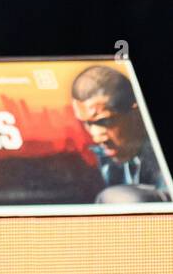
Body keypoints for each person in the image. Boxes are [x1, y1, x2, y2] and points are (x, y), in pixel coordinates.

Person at [71, 64, 167, 196]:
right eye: (88, 123)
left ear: (136, 114)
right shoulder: (103, 160)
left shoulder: (159, 160)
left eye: (104, 121)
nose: (96, 136)